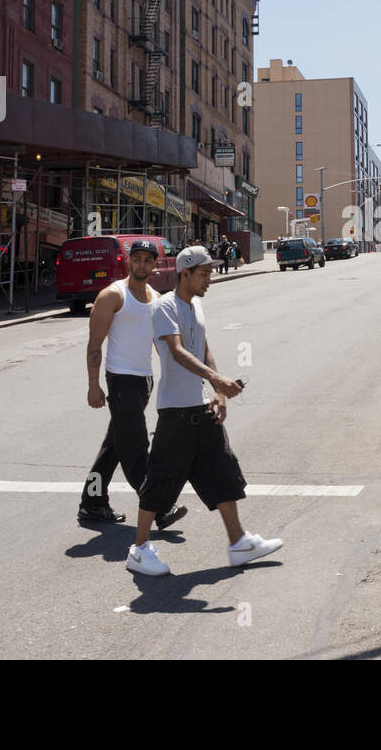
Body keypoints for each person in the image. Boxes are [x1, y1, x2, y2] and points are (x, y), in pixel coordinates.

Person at [125, 246, 283, 576]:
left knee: (222, 471)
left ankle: (238, 543)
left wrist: (218, 392)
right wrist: (215, 378)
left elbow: (204, 348)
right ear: (185, 273)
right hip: (176, 411)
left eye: (211, 273)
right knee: (160, 480)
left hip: (201, 406)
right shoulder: (164, 307)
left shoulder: (196, 305)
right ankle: (139, 550)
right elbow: (178, 351)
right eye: (204, 274)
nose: (209, 280)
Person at [80, 240, 186, 530]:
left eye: (147, 260)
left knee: (114, 447)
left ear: (154, 264)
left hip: (143, 382)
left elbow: (158, 343)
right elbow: (94, 345)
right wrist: (93, 384)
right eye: (136, 258)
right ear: (129, 261)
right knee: (137, 446)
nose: (141, 264)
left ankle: (92, 503)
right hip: (121, 380)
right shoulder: (112, 295)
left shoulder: (154, 297)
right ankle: (160, 507)